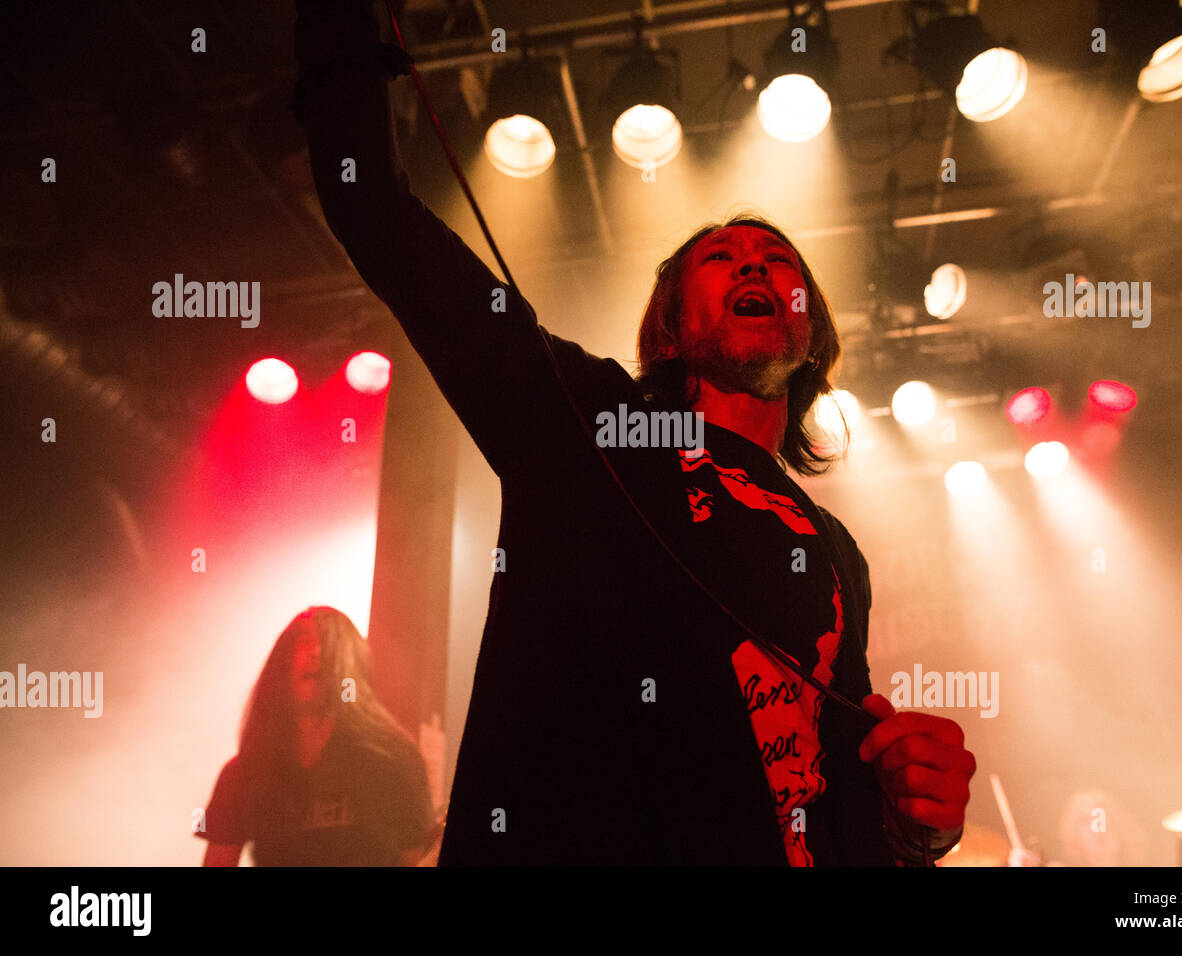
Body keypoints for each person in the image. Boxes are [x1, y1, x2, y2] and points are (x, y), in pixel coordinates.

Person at [290, 0, 975, 865]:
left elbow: (822, 789)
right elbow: (374, 212)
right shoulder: (590, 426)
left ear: (812, 331)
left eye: (778, 263)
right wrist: (344, 34)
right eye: (723, 259)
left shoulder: (838, 554)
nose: (756, 264)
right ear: (669, 330)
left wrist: (919, 820)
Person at [197, 606, 435, 866]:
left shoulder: (393, 761)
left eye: (329, 645)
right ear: (282, 664)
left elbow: (413, 857)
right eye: (304, 642)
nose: (315, 653)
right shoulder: (243, 774)